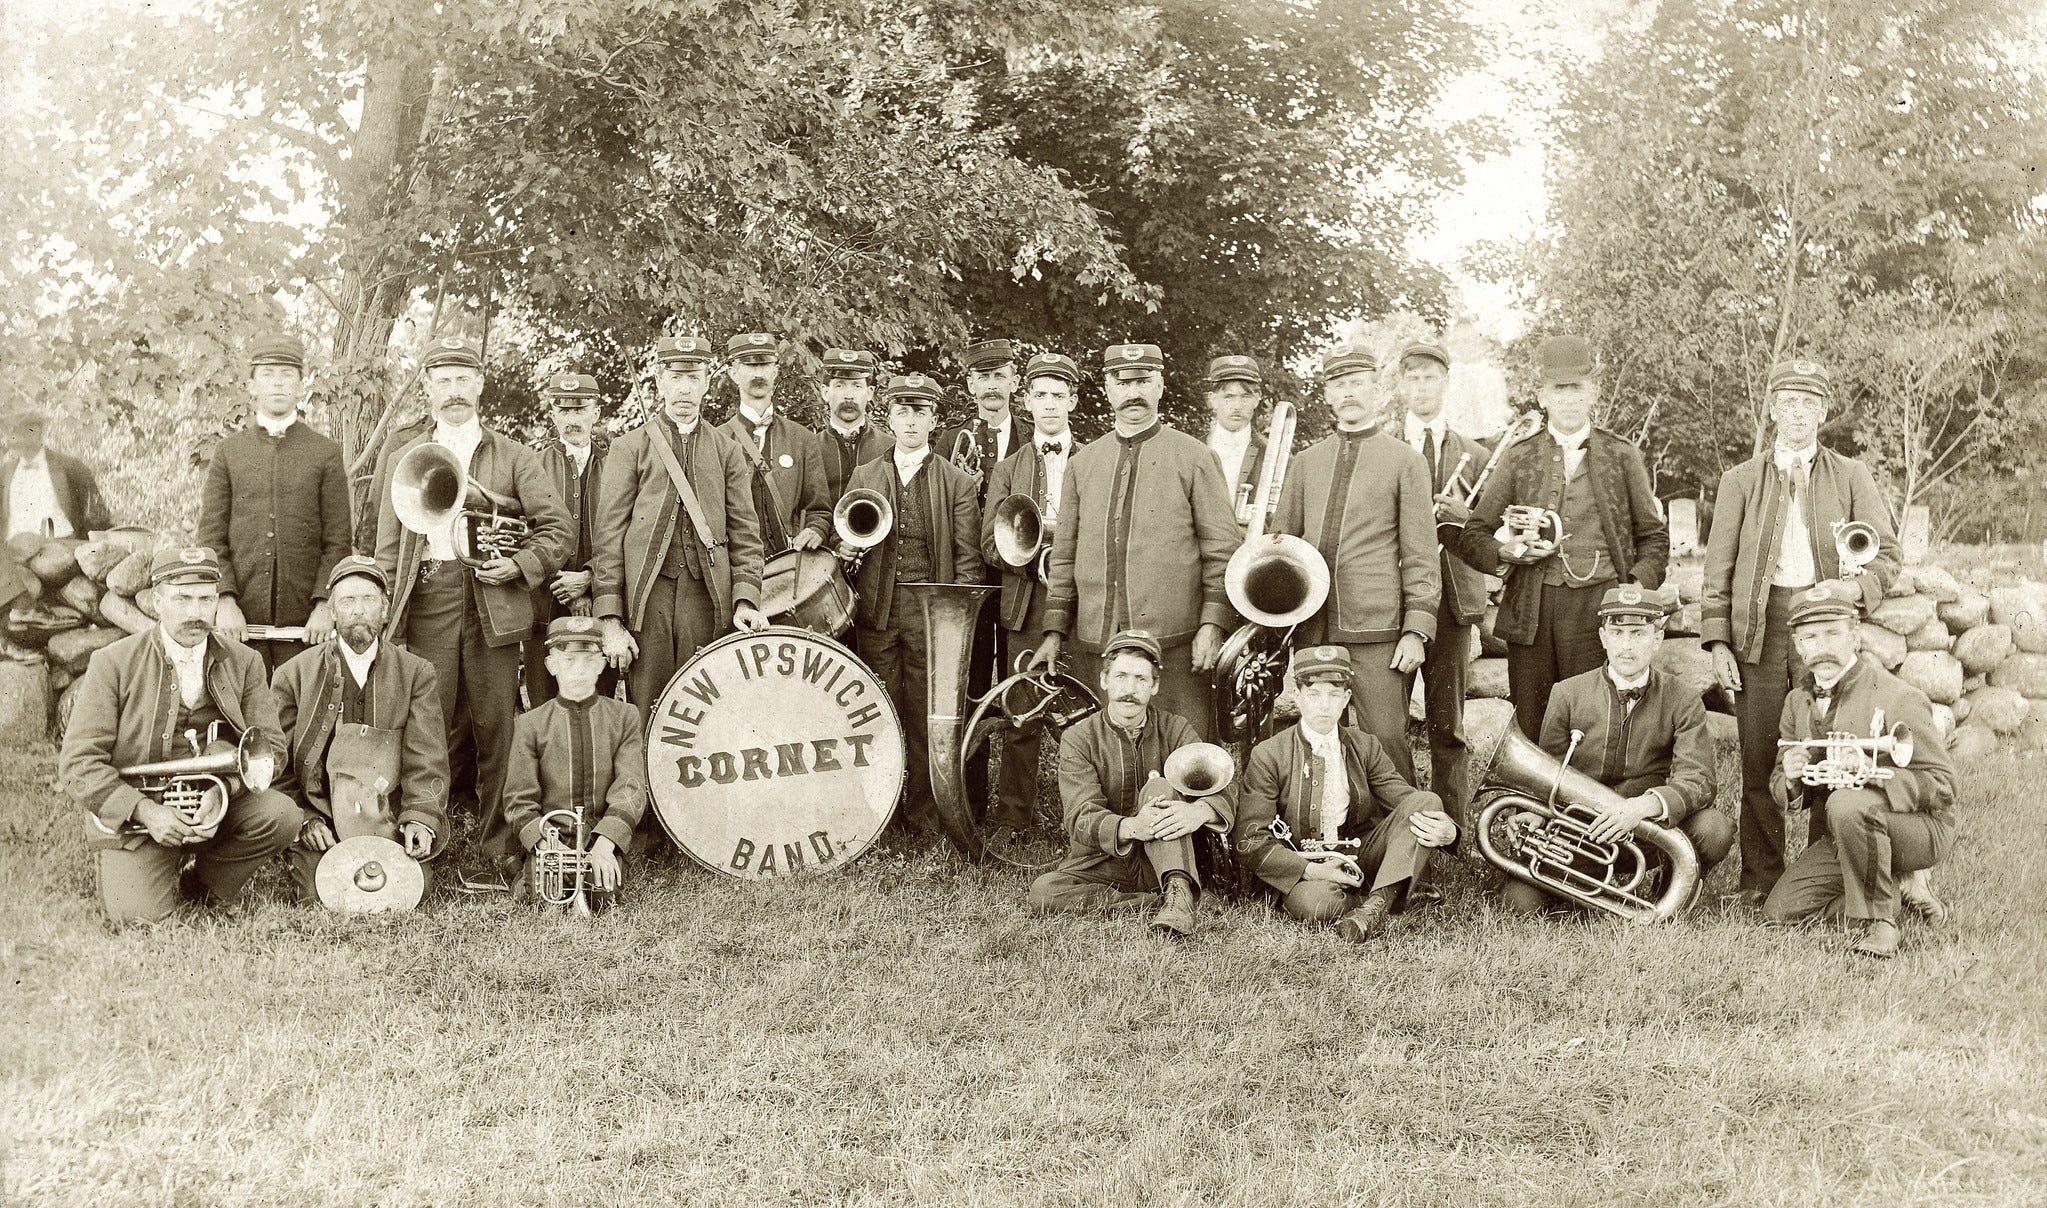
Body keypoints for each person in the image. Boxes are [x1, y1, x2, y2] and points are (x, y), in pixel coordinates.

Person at [1702, 358, 1901, 901]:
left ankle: (1826, 874)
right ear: (1771, 410)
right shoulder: (1739, 480)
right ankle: (1760, 880)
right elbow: (1717, 569)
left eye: (1808, 403)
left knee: (1832, 749)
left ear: (1823, 411)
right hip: (1760, 631)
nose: (1796, 413)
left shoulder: (1852, 476)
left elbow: (1886, 555)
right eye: (1786, 402)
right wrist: (1719, 639)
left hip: (1827, 626)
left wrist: (1849, 591)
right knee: (1760, 753)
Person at [373, 335, 574, 873]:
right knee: (429, 726)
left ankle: (501, 850)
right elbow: (387, 551)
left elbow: (559, 531)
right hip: (430, 596)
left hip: (496, 598)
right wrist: (387, 619)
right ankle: (424, 846)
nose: (454, 391)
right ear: (427, 388)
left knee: (497, 729)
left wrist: (521, 566)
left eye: (464, 380)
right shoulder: (403, 457)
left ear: (481, 385)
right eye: (443, 381)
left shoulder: (515, 456)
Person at [58, 547, 296, 924]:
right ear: (157, 601)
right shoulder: (113, 663)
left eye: (205, 599)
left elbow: (272, 750)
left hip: (214, 805)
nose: (195, 612)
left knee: (280, 815)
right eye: (182, 598)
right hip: (140, 816)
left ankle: (202, 883)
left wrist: (222, 790)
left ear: (217, 602)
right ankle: (150, 865)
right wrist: (147, 812)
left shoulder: (245, 661)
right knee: (139, 918)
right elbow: (77, 764)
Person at [1455, 334, 1668, 740]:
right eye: (1559, 389)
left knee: (1596, 722)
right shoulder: (1519, 456)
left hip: (1600, 607)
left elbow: (1654, 538)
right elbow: (1473, 533)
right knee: (1533, 724)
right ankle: (1532, 802)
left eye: (1578, 389)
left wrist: (1633, 592)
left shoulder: (1621, 455)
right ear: (1542, 396)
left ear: (1594, 393)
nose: (1569, 399)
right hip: (1532, 611)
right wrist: (1508, 552)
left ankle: (1595, 804)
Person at [1033, 344, 1243, 739]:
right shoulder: (1082, 464)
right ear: (1108, 390)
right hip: (1099, 644)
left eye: (1143, 381)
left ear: (1160, 386)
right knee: (1105, 756)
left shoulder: (1195, 457)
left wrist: (1212, 625)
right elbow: (1064, 556)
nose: (1133, 392)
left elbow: (1223, 553)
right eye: (1123, 382)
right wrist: (1053, 632)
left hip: (1177, 648)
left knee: (1182, 754)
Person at [1497, 584, 1733, 917]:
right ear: (1603, 637)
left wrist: (1643, 807)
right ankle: (1581, 888)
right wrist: (1536, 812)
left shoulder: (1682, 699)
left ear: (1657, 638)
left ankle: (1668, 891)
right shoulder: (1567, 693)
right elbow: (1545, 774)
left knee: (1714, 829)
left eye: (1638, 633)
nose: (1627, 645)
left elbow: (1699, 780)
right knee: (1517, 904)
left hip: (1646, 834)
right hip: (1578, 834)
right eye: (1617, 632)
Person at [1272, 341, 1439, 778]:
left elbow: (1421, 555)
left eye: (1358, 383)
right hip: (1312, 628)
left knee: (1385, 741)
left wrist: (1416, 630)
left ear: (1376, 390)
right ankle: (1326, 836)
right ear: (1327, 394)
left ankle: (1403, 834)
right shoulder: (1305, 462)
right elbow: (1282, 549)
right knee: (1316, 740)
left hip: (1378, 631)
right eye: (1339, 384)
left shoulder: (1406, 461)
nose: (1349, 392)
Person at [1761, 584, 1955, 958]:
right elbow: (1782, 785)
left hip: (1919, 828)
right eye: (1810, 637)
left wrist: (1871, 775)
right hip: (1850, 829)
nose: (1823, 646)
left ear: (1854, 634)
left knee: (1848, 804)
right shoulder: (1796, 702)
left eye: (1833, 633)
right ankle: (1898, 889)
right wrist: (1789, 776)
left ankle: (1881, 922)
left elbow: (1942, 786)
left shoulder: (1897, 695)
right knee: (1780, 911)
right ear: (1799, 647)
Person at [591, 336, 769, 719]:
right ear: (660, 379)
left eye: (694, 377)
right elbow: (607, 539)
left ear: (707, 382)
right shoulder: (629, 448)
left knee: (708, 715)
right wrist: (610, 620)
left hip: (708, 603)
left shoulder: (727, 450)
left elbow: (745, 534)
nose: (685, 388)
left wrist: (745, 600)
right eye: (676, 376)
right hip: (647, 600)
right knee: (649, 713)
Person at [1232, 646, 1458, 941]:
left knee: (1427, 802)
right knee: (1317, 904)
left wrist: (1450, 831)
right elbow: (1250, 840)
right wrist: (1313, 872)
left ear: (1346, 700)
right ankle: (1391, 892)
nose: (1324, 706)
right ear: (1297, 697)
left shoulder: (1366, 746)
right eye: (1314, 694)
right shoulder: (1269, 755)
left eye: (1334, 695)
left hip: (1360, 853)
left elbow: (1407, 803)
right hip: (1304, 865)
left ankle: (1371, 910)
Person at [843, 373, 985, 834]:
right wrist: (845, 547)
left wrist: (955, 624)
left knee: (927, 719)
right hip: (877, 612)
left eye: (919, 412)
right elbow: (845, 532)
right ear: (889, 416)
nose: (909, 421)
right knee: (877, 715)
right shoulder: (864, 474)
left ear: (933, 420)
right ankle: (879, 817)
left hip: (931, 616)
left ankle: (925, 819)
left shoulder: (958, 482)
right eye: (901, 411)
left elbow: (968, 562)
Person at [1026, 629, 1238, 937]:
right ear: (1104, 680)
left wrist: (1197, 813)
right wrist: (1133, 827)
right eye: (1121, 677)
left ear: (1155, 686)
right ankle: (1158, 902)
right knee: (1044, 892)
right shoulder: (1079, 738)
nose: (1130, 689)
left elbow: (1222, 789)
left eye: (1141, 679)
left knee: (1160, 790)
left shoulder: (1176, 729)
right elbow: (1080, 816)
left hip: (1166, 858)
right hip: (1103, 861)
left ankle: (1177, 894)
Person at [270, 556, 448, 903]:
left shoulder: (415, 673)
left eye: (369, 600)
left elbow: (427, 758)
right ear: (332, 612)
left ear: (385, 610)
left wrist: (420, 819)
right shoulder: (294, 675)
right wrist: (305, 820)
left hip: (389, 815)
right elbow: (278, 766)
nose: (358, 611)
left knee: (413, 890)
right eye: (347, 601)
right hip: (323, 815)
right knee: (316, 894)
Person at [197, 334, 352, 674]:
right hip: (239, 624)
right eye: (268, 374)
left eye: (287, 374)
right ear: (252, 385)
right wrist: (224, 600)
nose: (278, 383)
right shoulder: (229, 453)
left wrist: (325, 604)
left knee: (301, 717)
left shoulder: (324, 453)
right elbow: (211, 537)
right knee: (241, 718)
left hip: (306, 629)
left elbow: (338, 540)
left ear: (300, 384)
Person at [978, 352, 1080, 838]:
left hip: (1082, 603)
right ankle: (1013, 816)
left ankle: (1083, 818)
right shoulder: (1008, 467)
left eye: (1059, 396)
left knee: (1082, 713)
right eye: (1040, 396)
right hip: (1025, 604)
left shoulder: (1094, 457)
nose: (1049, 406)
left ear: (1074, 401)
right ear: (1027, 400)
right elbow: (986, 543)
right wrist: (1031, 557)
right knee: (1022, 712)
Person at [1398, 339, 1493, 832]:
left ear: (1445, 383)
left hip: (1453, 605)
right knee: (1387, 725)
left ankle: (1451, 828)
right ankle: (1396, 827)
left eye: (1430, 378)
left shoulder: (1475, 455)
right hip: (1394, 604)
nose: (1421, 387)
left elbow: (1489, 532)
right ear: (1400, 386)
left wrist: (1466, 515)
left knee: (1448, 728)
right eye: (1412, 378)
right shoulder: (1384, 447)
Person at [502, 616, 649, 907]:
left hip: (601, 838)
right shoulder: (531, 724)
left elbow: (631, 787)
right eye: (568, 660)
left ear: (601, 664)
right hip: (552, 839)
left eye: (589, 660)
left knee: (602, 897)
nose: (579, 671)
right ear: (551, 666)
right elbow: (518, 798)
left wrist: (606, 844)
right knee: (538, 897)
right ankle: (524, 866)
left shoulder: (625, 717)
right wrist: (545, 846)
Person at [524, 372, 613, 704]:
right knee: (546, 706)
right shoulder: (531, 465)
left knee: (598, 702)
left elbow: (624, 534)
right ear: (553, 415)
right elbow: (525, 533)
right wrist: (562, 581)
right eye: (564, 411)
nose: (572, 419)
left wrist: (589, 577)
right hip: (545, 607)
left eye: (580, 410)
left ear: (596, 413)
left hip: (602, 601)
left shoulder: (617, 464)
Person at [714, 331, 830, 557]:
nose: (758, 373)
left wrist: (815, 529)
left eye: (765, 365)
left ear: (776, 371)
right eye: (749, 365)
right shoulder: (717, 440)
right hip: (734, 567)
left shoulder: (802, 438)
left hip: (788, 566)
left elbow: (819, 509)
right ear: (733, 373)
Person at [3, 409, 112, 540]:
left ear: (36, 432)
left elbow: (97, 513)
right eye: (10, 433)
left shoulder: (70, 466)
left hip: (62, 546)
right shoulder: (5, 471)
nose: (12, 439)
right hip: (14, 552)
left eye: (18, 432)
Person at [934, 338, 1026, 488]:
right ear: (971, 385)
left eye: (999, 376)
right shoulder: (951, 439)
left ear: (1014, 383)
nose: (992, 386)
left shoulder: (1033, 436)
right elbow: (935, 495)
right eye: (983, 377)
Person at [1203, 355, 1269, 525]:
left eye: (1245, 397)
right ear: (1212, 399)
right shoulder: (1191, 450)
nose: (1237, 406)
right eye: (1228, 397)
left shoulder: (1271, 453)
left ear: (1257, 398)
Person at [817, 348, 890, 499]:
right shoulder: (810, 448)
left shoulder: (891, 448)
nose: (848, 395)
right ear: (825, 392)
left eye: (857, 386)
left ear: (869, 393)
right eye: (840, 385)